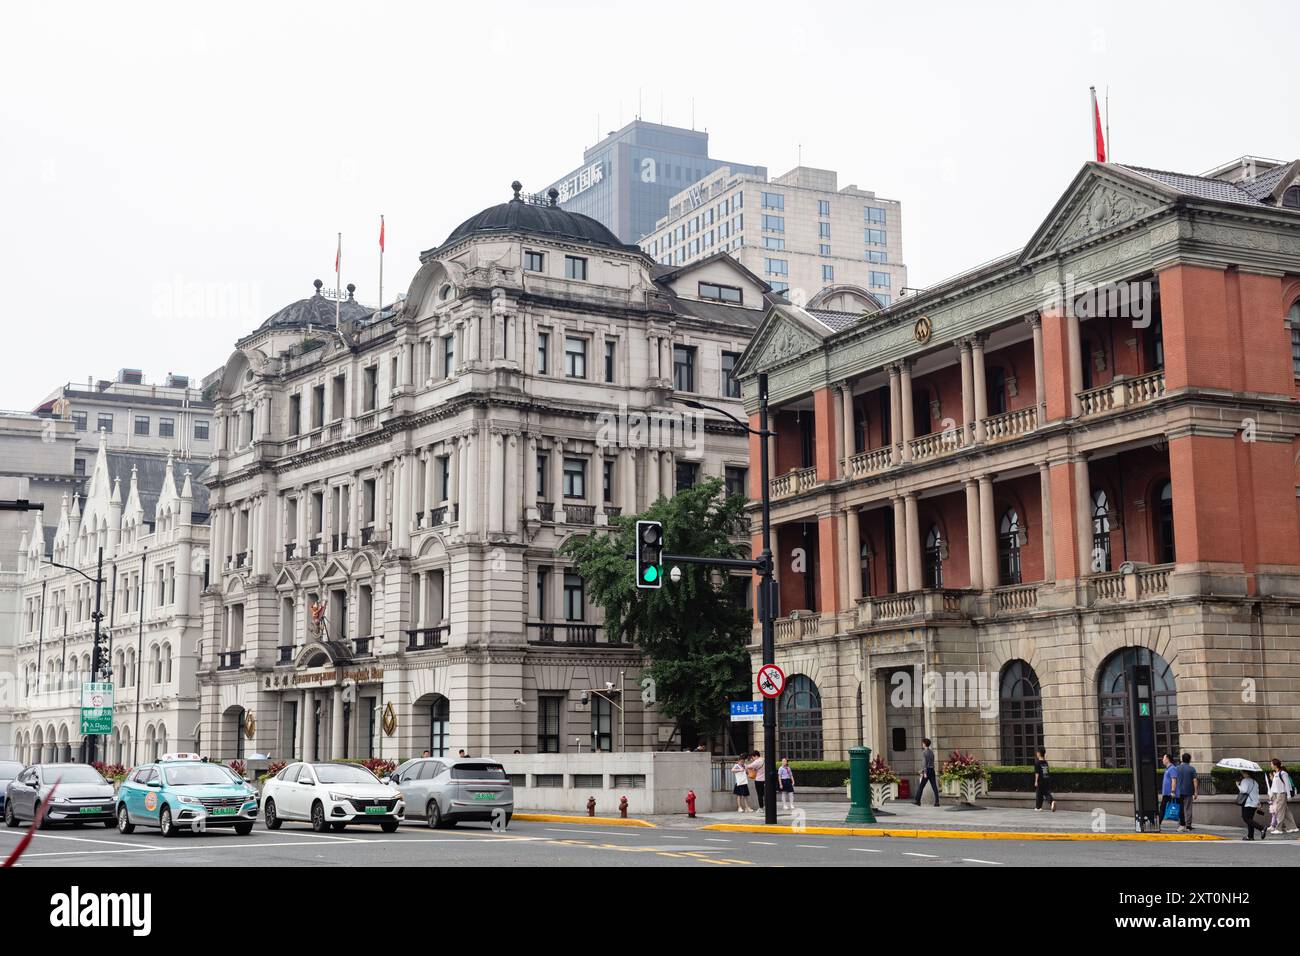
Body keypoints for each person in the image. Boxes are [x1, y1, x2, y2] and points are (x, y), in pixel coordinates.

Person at [1267, 759, 1297, 834]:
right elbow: (1274, 786)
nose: (1270, 765)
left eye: (1271, 764)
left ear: (1275, 765)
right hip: (1276, 794)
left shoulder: (1283, 773)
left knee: (1279, 811)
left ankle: (1279, 829)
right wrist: (1271, 795)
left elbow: (1287, 784)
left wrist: (1289, 795)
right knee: (1286, 811)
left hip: (1281, 794)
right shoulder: (1276, 773)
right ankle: (1293, 827)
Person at [1238, 772, 1267, 840]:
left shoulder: (1245, 780)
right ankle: (1250, 836)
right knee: (1250, 820)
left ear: (1247, 773)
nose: (1243, 774)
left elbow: (1244, 791)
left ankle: (1261, 828)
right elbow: (1257, 793)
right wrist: (1258, 802)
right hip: (1254, 803)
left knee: (1246, 818)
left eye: (1243, 772)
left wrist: (1238, 785)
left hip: (1247, 802)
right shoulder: (1255, 782)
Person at [1176, 753, 1198, 831]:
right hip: (1188, 791)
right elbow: (1195, 780)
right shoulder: (1192, 769)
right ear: (1189, 759)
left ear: (1182, 759)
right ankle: (1188, 825)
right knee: (1188, 808)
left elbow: (1174, 780)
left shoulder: (1177, 768)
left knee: (1181, 808)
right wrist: (1196, 792)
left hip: (1179, 791)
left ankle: (1181, 824)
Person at [914, 738, 939, 806]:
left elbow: (924, 763)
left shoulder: (924, 752)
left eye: (923, 743)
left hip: (927, 771)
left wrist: (924, 772)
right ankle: (937, 802)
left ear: (925, 744)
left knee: (921, 786)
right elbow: (931, 762)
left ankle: (917, 801)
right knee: (934, 786)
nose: (922, 744)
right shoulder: (931, 752)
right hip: (932, 770)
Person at [1158, 753, 1180, 831]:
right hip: (1166, 793)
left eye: (1163, 758)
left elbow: (1174, 780)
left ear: (1167, 759)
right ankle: (1182, 824)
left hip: (1170, 793)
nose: (1162, 760)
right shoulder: (1168, 769)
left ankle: (1158, 824)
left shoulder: (1172, 768)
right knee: (1163, 808)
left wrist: (1173, 791)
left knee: (1163, 808)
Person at [1032, 747, 1056, 812]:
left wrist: (1036, 781)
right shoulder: (1045, 762)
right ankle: (1052, 802)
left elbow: (1037, 773)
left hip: (1040, 780)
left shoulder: (1037, 763)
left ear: (1039, 753)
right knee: (1046, 793)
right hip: (1046, 779)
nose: (1036, 753)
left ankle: (1038, 807)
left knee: (1039, 794)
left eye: (1037, 752)